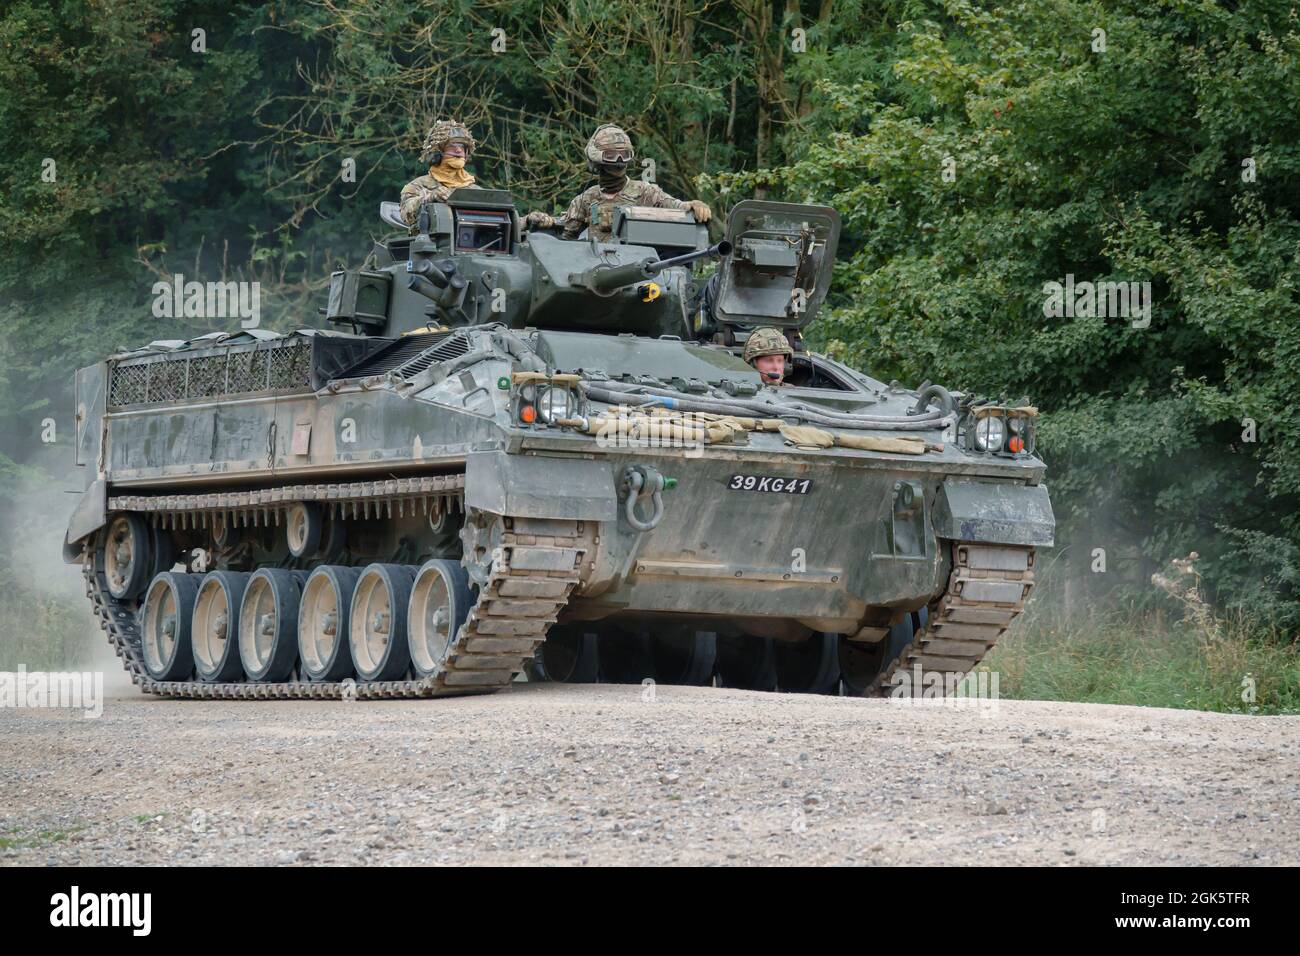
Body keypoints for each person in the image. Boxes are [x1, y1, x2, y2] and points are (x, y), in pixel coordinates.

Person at [525, 124, 712, 241]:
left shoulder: (646, 192)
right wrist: (541, 221)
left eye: (624, 155)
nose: (620, 161)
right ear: (596, 161)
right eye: (612, 156)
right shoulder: (587, 199)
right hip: (596, 276)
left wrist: (694, 205)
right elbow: (565, 233)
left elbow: (676, 207)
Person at [399, 119, 478, 231]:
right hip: (431, 244)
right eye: (452, 145)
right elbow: (405, 214)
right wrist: (430, 198)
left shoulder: (475, 190)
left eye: (463, 146)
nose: (459, 150)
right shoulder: (419, 185)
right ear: (437, 152)